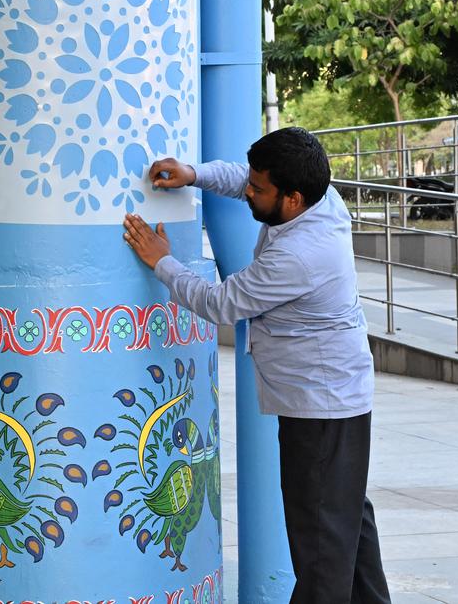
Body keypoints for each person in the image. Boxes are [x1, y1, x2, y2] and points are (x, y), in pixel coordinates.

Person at [122, 127, 390, 604]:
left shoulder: (299, 255)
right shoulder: (318, 199)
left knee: (322, 545)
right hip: (334, 395)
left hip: (321, 407)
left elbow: (220, 303)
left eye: (258, 188)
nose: (246, 189)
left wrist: (162, 262)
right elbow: (241, 179)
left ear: (291, 198)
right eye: (251, 179)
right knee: (345, 521)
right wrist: (195, 174)